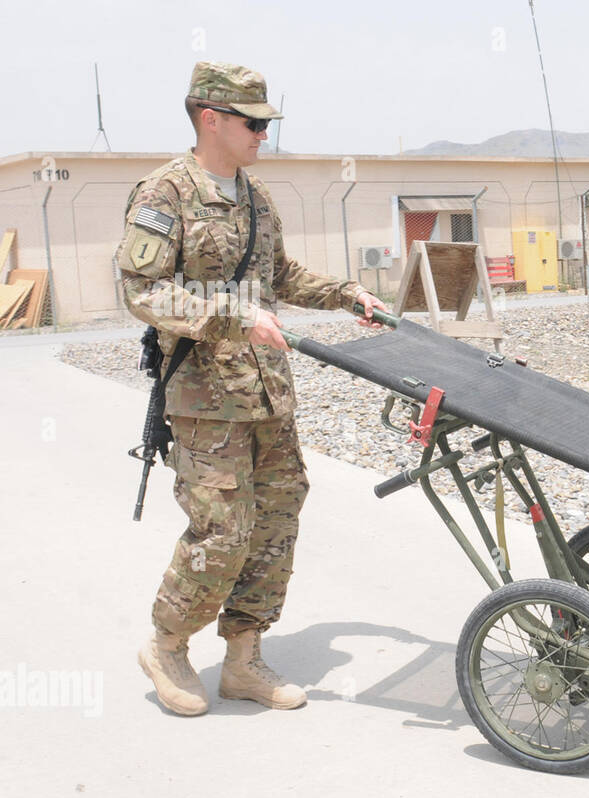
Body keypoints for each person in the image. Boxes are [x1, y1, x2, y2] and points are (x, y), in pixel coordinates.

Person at [117, 61, 383, 716]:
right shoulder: (164, 193)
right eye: (253, 122)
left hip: (268, 395)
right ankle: (169, 643)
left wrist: (346, 295)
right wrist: (233, 316)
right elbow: (143, 291)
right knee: (224, 529)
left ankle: (243, 657)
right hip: (205, 400)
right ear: (211, 118)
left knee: (276, 517)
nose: (264, 133)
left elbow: (280, 274)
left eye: (266, 122)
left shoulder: (255, 196)